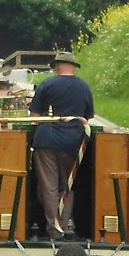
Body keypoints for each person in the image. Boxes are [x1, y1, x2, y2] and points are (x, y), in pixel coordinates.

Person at [27, 50, 94, 238]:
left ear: (57, 66)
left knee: (48, 186)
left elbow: (34, 118)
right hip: (73, 142)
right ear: (73, 66)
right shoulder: (84, 87)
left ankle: (52, 229)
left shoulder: (47, 84)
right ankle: (63, 227)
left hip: (47, 140)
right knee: (68, 186)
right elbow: (88, 118)